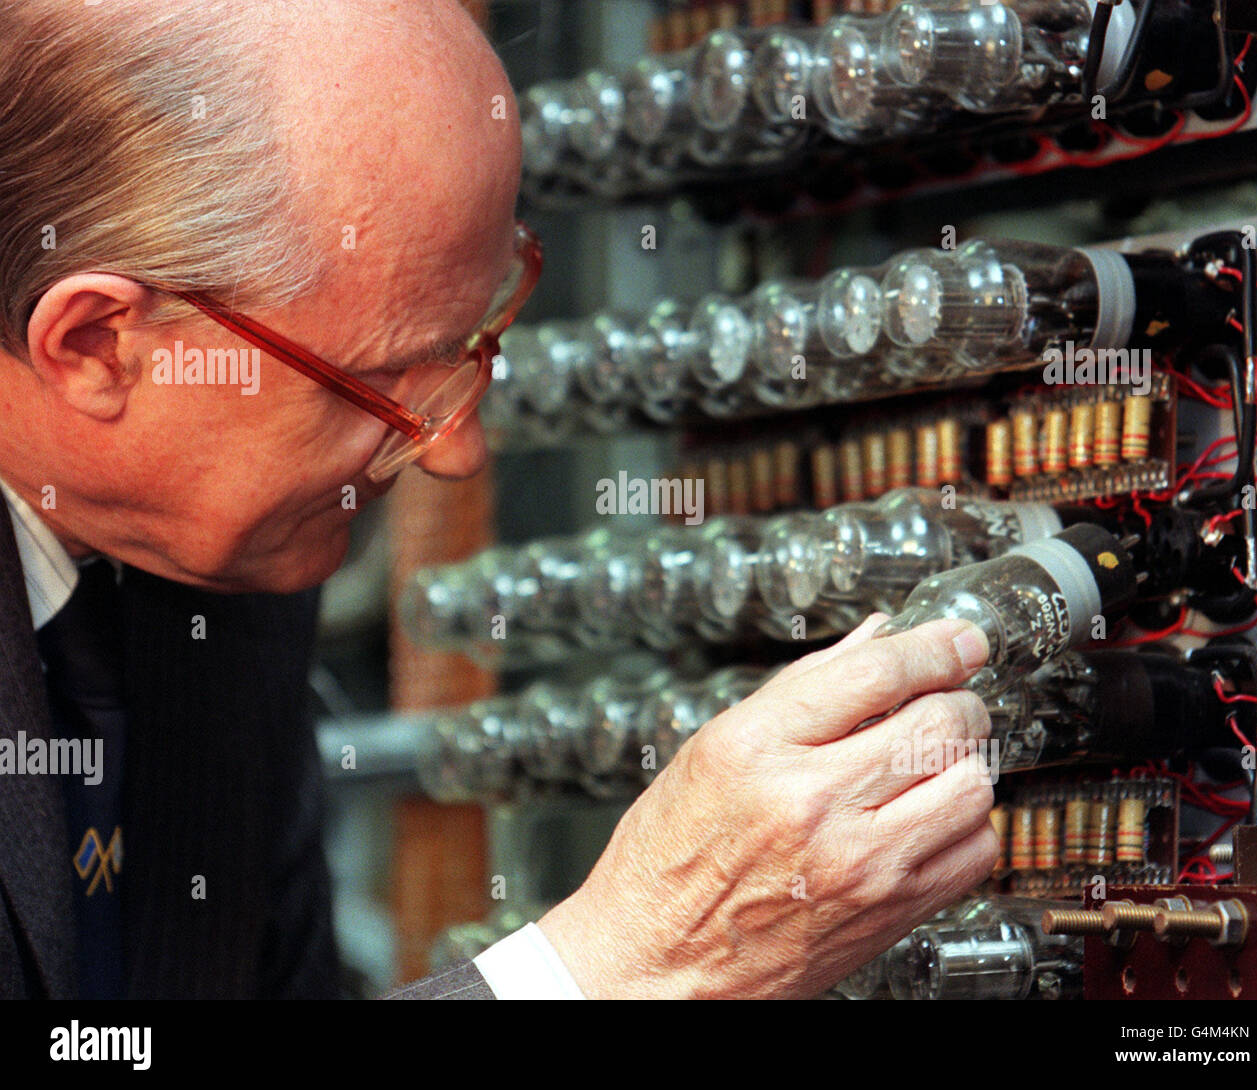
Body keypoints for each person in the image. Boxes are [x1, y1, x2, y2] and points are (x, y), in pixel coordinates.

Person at [0, 0, 998, 1000]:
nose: (456, 452)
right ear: (95, 344)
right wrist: (620, 965)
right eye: (387, 382)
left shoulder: (220, 568)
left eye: (474, 342)